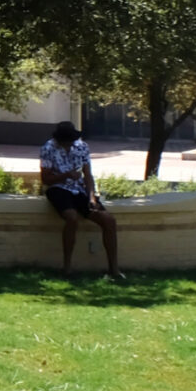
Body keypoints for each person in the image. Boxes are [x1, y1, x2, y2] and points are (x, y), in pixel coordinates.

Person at [39, 120, 123, 280]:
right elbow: (46, 178)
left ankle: (114, 270)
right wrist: (66, 175)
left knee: (108, 220)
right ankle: (67, 267)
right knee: (71, 218)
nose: (68, 144)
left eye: (71, 141)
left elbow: (88, 175)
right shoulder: (48, 148)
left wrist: (91, 196)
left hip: (79, 189)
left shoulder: (82, 147)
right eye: (65, 141)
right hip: (58, 188)